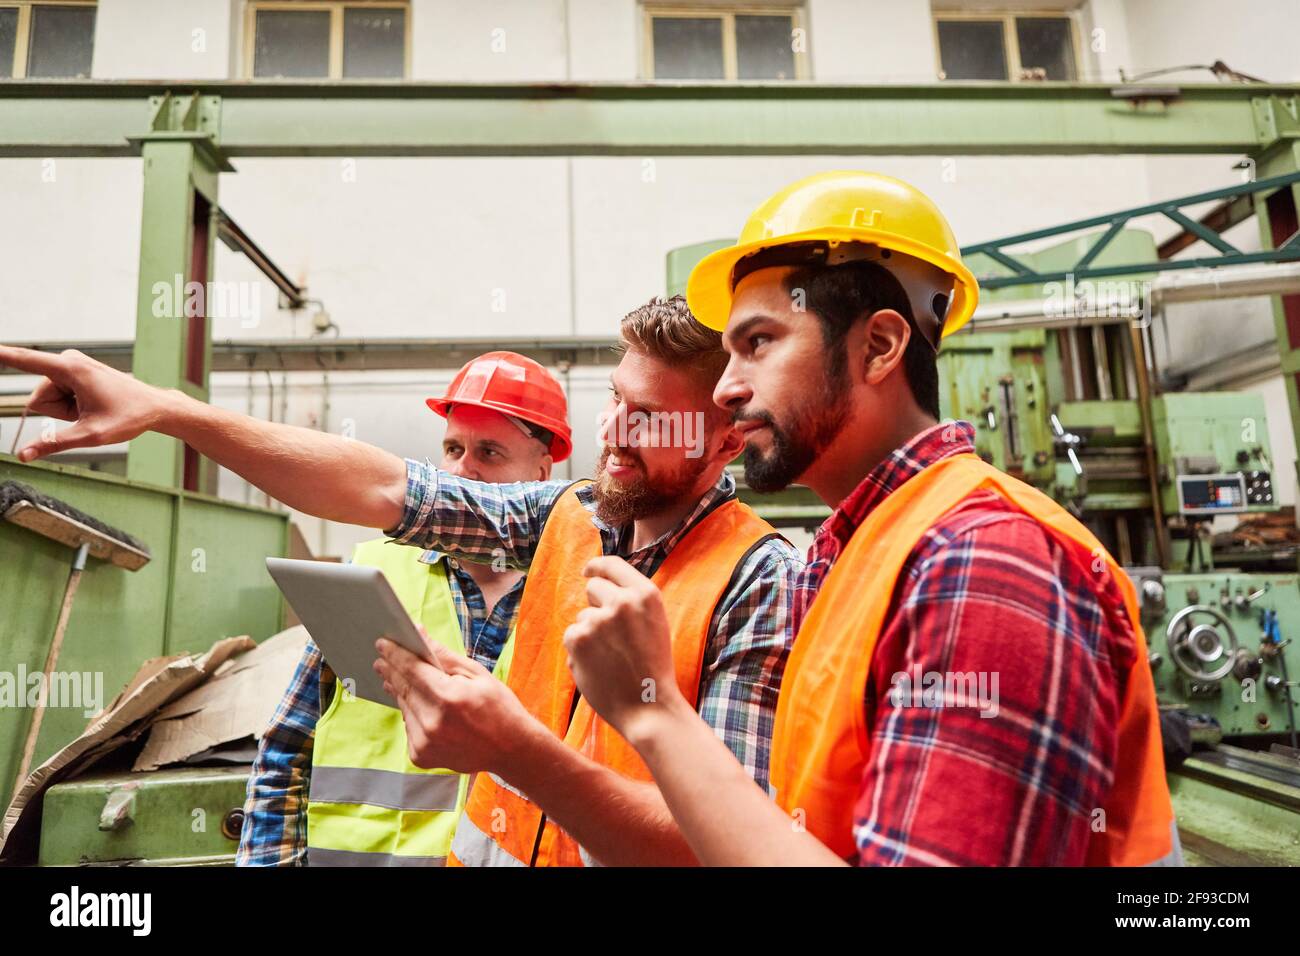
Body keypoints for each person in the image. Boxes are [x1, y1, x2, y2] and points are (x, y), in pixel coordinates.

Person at [0, 295, 800, 867]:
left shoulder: (757, 579)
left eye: (653, 421)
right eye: (616, 403)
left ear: (729, 441)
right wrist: (169, 411)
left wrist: (512, 750)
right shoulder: (570, 513)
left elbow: (723, 847)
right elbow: (386, 489)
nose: (618, 438)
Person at [559, 171, 1178, 866]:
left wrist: (654, 717)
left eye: (758, 343)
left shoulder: (985, 559)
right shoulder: (849, 556)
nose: (727, 389)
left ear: (880, 347)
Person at [237, 352, 570, 867]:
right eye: (453, 448)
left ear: (544, 472)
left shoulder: (574, 596)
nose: (462, 469)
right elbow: (286, 752)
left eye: (490, 452)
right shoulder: (372, 576)